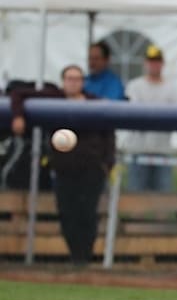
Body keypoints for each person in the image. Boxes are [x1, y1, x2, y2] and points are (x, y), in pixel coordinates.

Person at [8, 65, 116, 266]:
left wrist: (107, 163)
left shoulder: (94, 102)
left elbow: (109, 133)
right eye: (69, 78)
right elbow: (17, 93)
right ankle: (76, 257)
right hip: (64, 169)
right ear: (63, 81)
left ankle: (84, 257)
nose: (73, 82)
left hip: (91, 169)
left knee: (87, 213)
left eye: (77, 79)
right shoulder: (53, 97)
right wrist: (17, 116)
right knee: (67, 213)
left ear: (83, 82)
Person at [123, 45, 177, 192]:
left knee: (163, 200)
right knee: (135, 198)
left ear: (162, 63)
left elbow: (175, 117)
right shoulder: (134, 86)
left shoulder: (171, 88)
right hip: (138, 149)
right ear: (145, 63)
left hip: (162, 150)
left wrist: (148, 117)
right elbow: (132, 114)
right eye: (151, 61)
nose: (154, 64)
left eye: (157, 61)